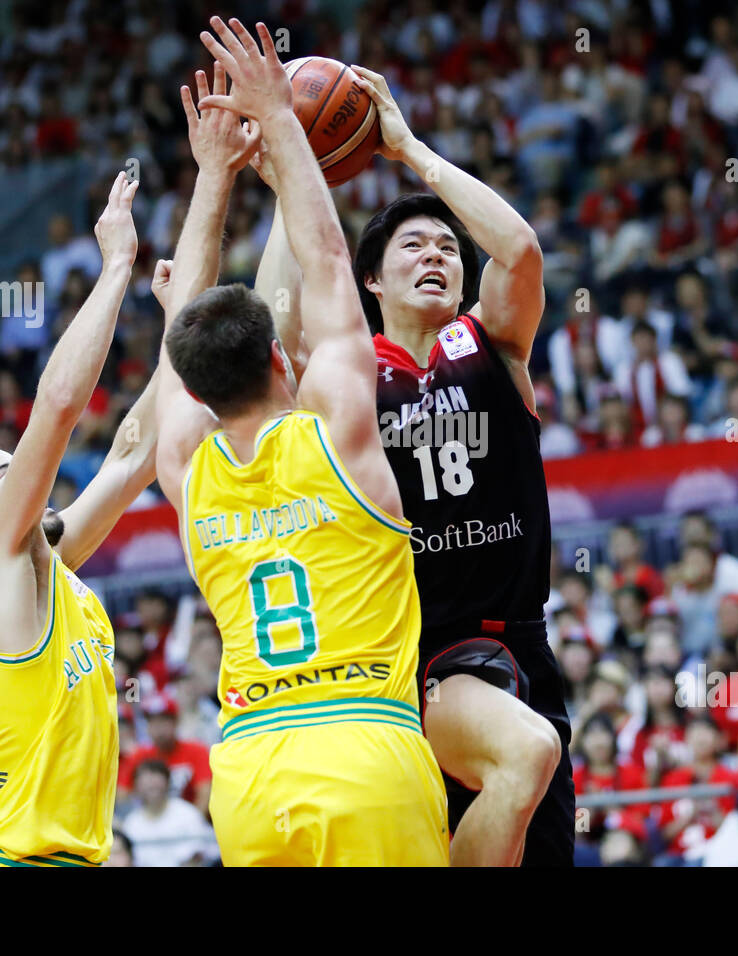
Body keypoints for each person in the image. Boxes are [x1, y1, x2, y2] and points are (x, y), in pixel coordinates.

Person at [251, 39, 570, 865]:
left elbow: (521, 250)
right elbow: (273, 326)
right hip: (414, 658)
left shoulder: (494, 344)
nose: (436, 255)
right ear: (370, 283)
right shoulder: (350, 375)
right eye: (413, 249)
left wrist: (404, 147)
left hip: (521, 642)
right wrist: (295, 165)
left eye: (445, 250)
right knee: (526, 754)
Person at [155, 21, 447, 865]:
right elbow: (326, 263)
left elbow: (183, 327)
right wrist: (281, 121)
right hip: (365, 749)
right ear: (284, 359)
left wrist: (212, 176)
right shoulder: (338, 434)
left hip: (247, 772)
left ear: (195, 388)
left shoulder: (186, 466)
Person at [0, 173, 160, 867]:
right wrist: (115, 268)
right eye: (6, 474)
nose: (25, 476)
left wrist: (214, 188)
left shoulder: (49, 570)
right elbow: (55, 407)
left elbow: (136, 448)